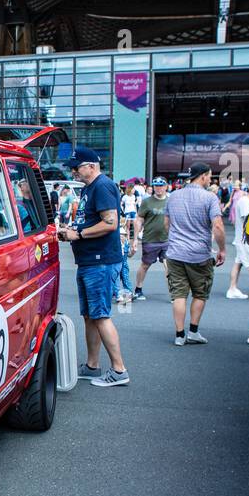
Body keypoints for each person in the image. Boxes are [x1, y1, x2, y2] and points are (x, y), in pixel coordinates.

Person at [56, 148, 128, 387]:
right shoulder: (91, 187)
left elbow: (110, 223)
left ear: (91, 166)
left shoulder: (102, 186)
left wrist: (79, 234)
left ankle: (119, 370)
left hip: (100, 261)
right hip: (91, 260)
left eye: (76, 167)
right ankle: (92, 365)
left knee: (100, 315)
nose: (73, 171)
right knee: (90, 316)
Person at [164, 162, 227, 346]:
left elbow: (166, 224)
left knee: (179, 294)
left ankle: (179, 335)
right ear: (203, 176)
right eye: (209, 176)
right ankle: (193, 331)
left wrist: (176, 238)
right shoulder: (210, 198)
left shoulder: (173, 196)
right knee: (200, 293)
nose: (210, 179)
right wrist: (222, 249)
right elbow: (217, 226)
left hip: (175, 253)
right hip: (199, 254)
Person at [132, 178, 170, 300]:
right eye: (156, 186)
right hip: (150, 239)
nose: (158, 188)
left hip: (167, 240)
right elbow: (139, 219)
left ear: (166, 187)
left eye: (161, 185)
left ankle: (174, 293)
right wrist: (136, 238)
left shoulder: (170, 201)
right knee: (145, 265)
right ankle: (138, 289)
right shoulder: (147, 202)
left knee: (169, 265)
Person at [225, 183, 249, 299]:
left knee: (239, 263)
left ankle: (232, 289)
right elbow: (248, 221)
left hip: (242, 238)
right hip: (245, 239)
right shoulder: (246, 201)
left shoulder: (247, 201)